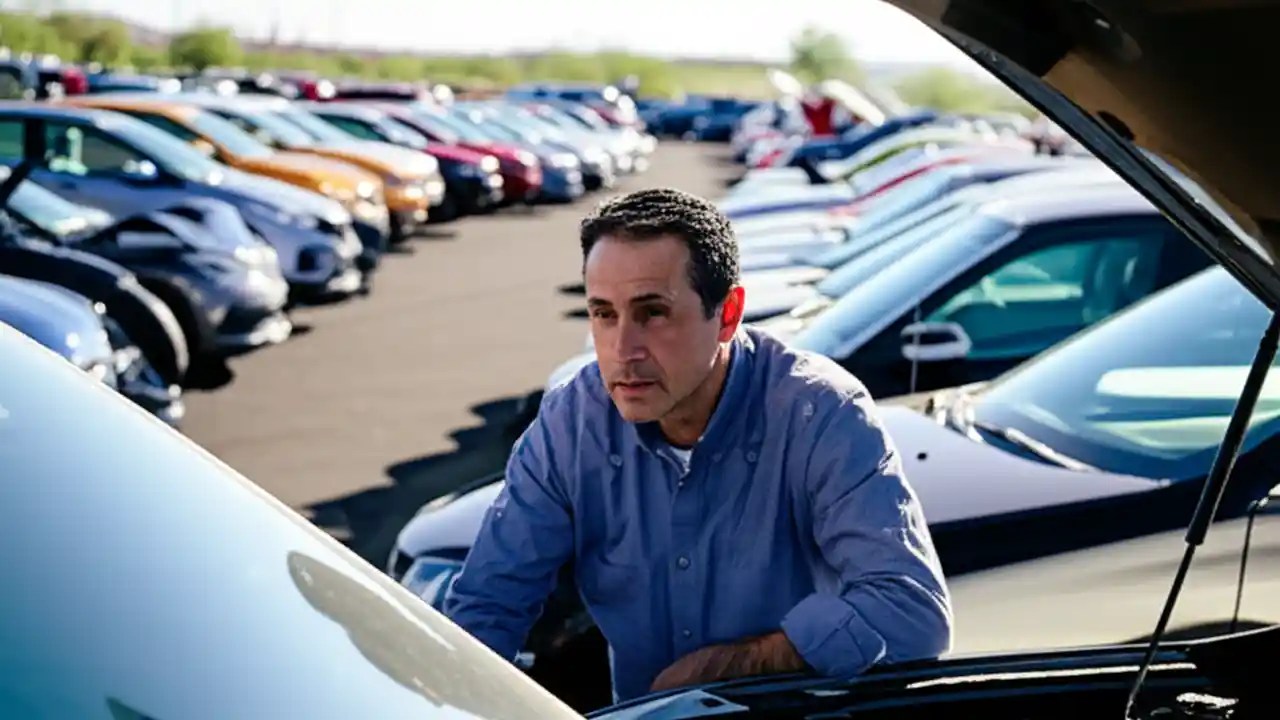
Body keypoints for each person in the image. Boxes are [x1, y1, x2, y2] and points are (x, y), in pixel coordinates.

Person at [443, 187, 952, 703]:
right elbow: (485, 608)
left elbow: (911, 614)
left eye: (652, 313)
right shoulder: (571, 424)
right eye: (603, 314)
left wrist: (736, 665)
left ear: (728, 314)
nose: (623, 350)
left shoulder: (819, 413)